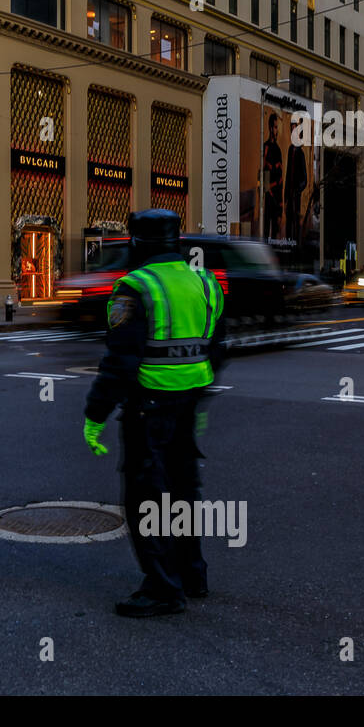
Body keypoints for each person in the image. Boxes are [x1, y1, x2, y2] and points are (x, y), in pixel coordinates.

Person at [82, 209, 227, 618]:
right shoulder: (205, 282)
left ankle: (163, 588)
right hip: (188, 402)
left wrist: (95, 415)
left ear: (136, 244)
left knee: (146, 497)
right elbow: (216, 348)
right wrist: (199, 397)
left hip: (149, 408)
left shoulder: (136, 287)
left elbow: (119, 363)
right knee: (183, 491)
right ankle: (191, 574)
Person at [262, 113, 284, 240]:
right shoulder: (265, 147)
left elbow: (280, 178)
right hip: (268, 197)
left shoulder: (278, 150)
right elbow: (263, 172)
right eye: (275, 127)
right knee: (265, 232)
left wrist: (280, 205)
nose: (276, 131)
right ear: (270, 127)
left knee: (275, 233)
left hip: (276, 197)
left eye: (277, 128)